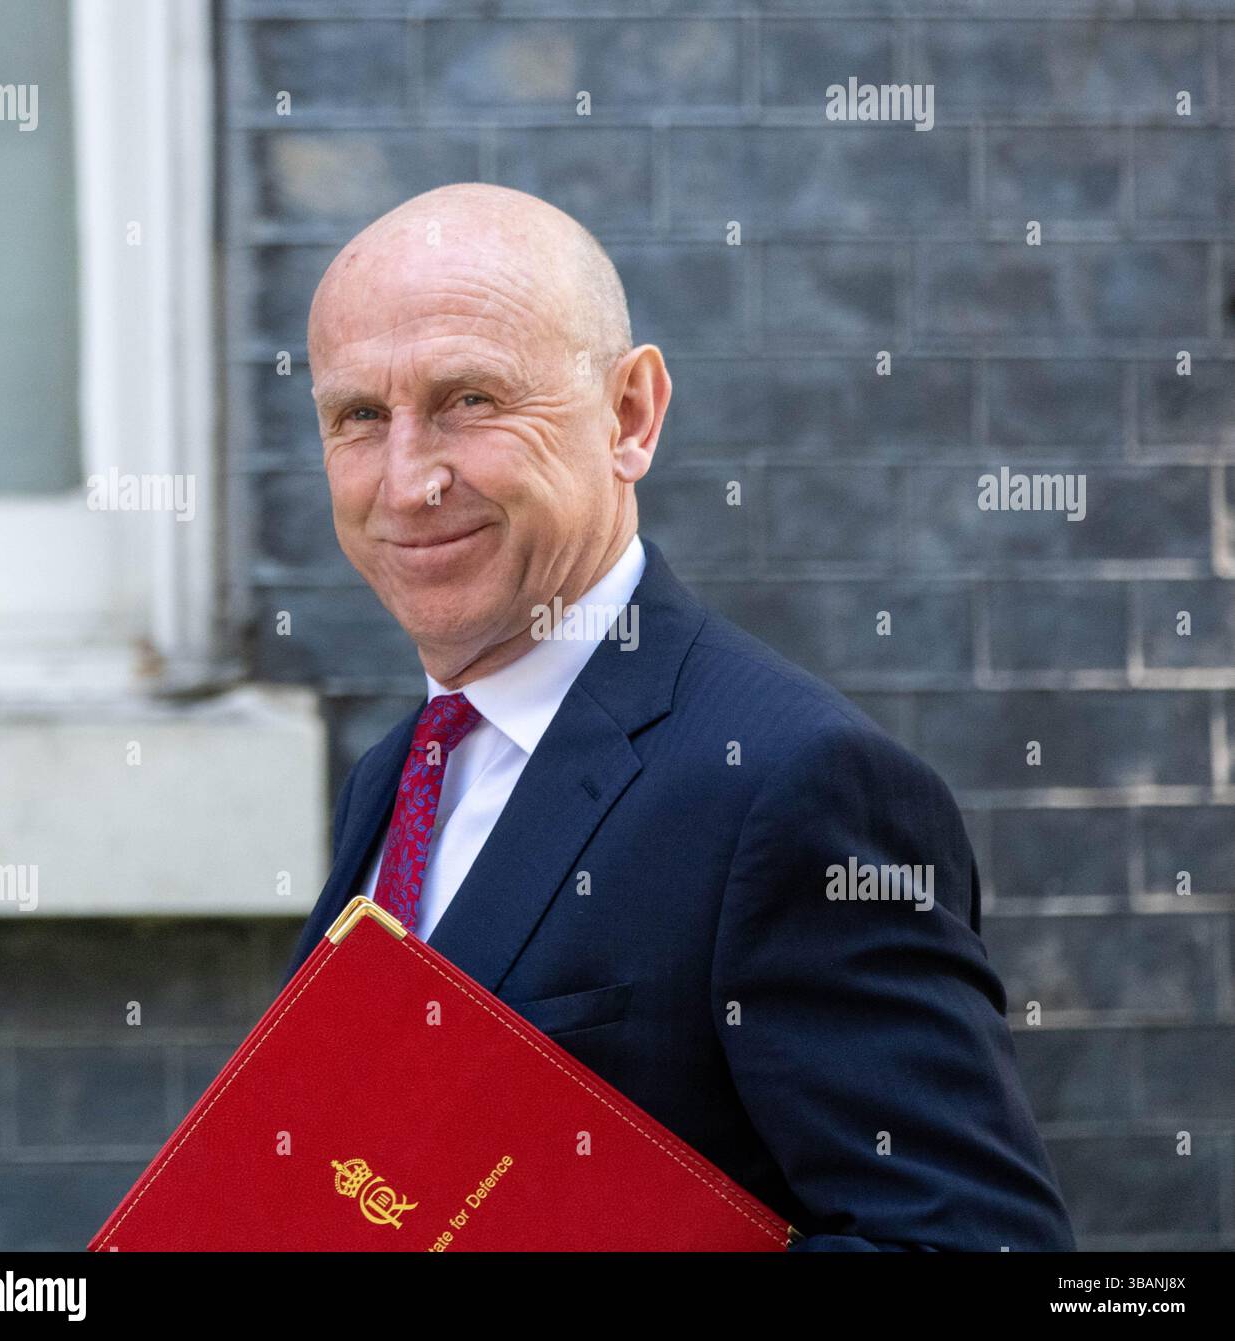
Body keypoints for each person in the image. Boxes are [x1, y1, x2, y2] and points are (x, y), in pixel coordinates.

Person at [285, 182, 1076, 1252]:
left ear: (629, 415)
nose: (408, 477)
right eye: (359, 418)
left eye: (469, 399)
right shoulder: (397, 775)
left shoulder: (797, 785)